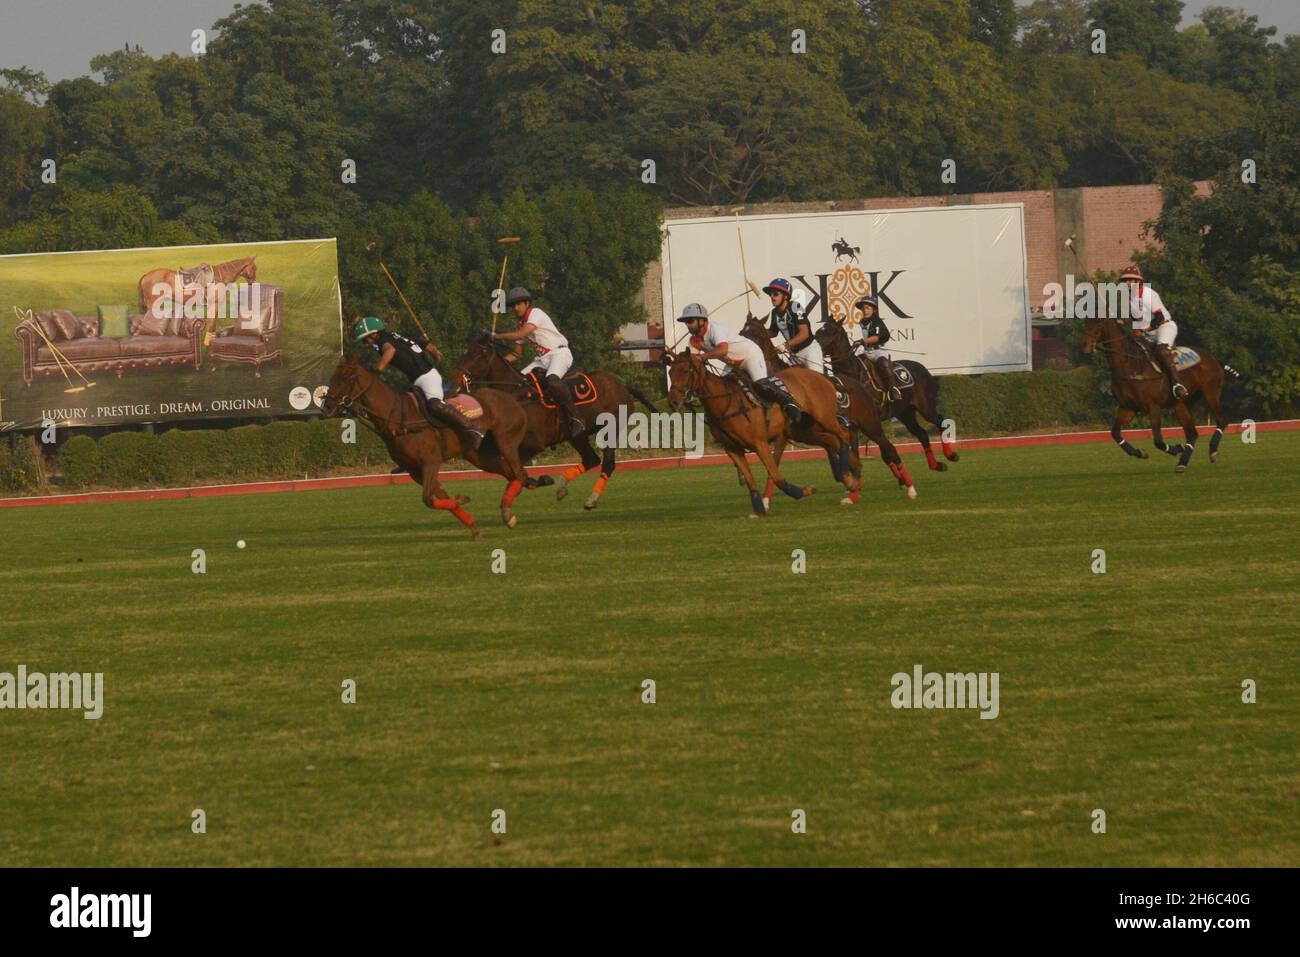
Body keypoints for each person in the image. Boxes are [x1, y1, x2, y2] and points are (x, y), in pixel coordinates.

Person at [352, 315, 484, 449]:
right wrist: (434, 351)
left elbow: (390, 351)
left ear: (374, 334)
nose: (365, 344)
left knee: (435, 405)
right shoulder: (395, 335)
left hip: (427, 377)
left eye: (365, 340)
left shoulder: (382, 341)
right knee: (408, 411)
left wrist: (377, 372)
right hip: (418, 380)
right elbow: (423, 343)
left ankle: (473, 429)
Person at [676, 302, 804, 423]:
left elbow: (722, 350)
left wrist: (703, 357)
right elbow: (692, 361)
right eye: (686, 322)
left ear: (702, 320)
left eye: (690, 321)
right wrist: (674, 360)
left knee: (761, 385)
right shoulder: (693, 341)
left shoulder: (714, 329)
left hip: (750, 355)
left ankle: (789, 403)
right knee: (723, 386)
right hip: (733, 362)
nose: (687, 325)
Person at [490, 286, 585, 436]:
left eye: (518, 304)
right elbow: (516, 354)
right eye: (513, 305)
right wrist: (495, 363)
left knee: (552, 380)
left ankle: (576, 417)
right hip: (543, 359)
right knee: (518, 382)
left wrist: (496, 337)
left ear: (527, 303)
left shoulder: (536, 313)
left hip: (559, 353)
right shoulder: (520, 324)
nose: (515, 308)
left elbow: (521, 334)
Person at [1121, 264, 1188, 399]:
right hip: (1148, 332)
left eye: (1131, 280)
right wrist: (1120, 320)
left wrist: (1144, 329)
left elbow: (1160, 318)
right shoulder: (1128, 298)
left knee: (1161, 350)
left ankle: (1177, 385)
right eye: (1126, 280)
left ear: (1139, 282)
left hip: (1164, 327)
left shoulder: (1148, 294)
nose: (1128, 283)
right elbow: (1133, 317)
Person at [760, 278, 827, 375]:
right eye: (770, 294)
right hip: (794, 355)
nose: (772, 297)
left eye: (776, 294)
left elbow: (804, 333)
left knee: (817, 381)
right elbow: (773, 332)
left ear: (786, 296)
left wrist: (786, 345)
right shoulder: (774, 312)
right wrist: (758, 330)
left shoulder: (796, 306)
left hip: (809, 351)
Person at [855, 293, 903, 401]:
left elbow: (876, 338)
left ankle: (893, 389)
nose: (865, 310)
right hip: (867, 352)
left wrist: (863, 341)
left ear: (874, 310)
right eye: (863, 308)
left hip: (878, 352)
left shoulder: (876, 321)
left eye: (868, 308)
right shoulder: (863, 321)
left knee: (885, 364)